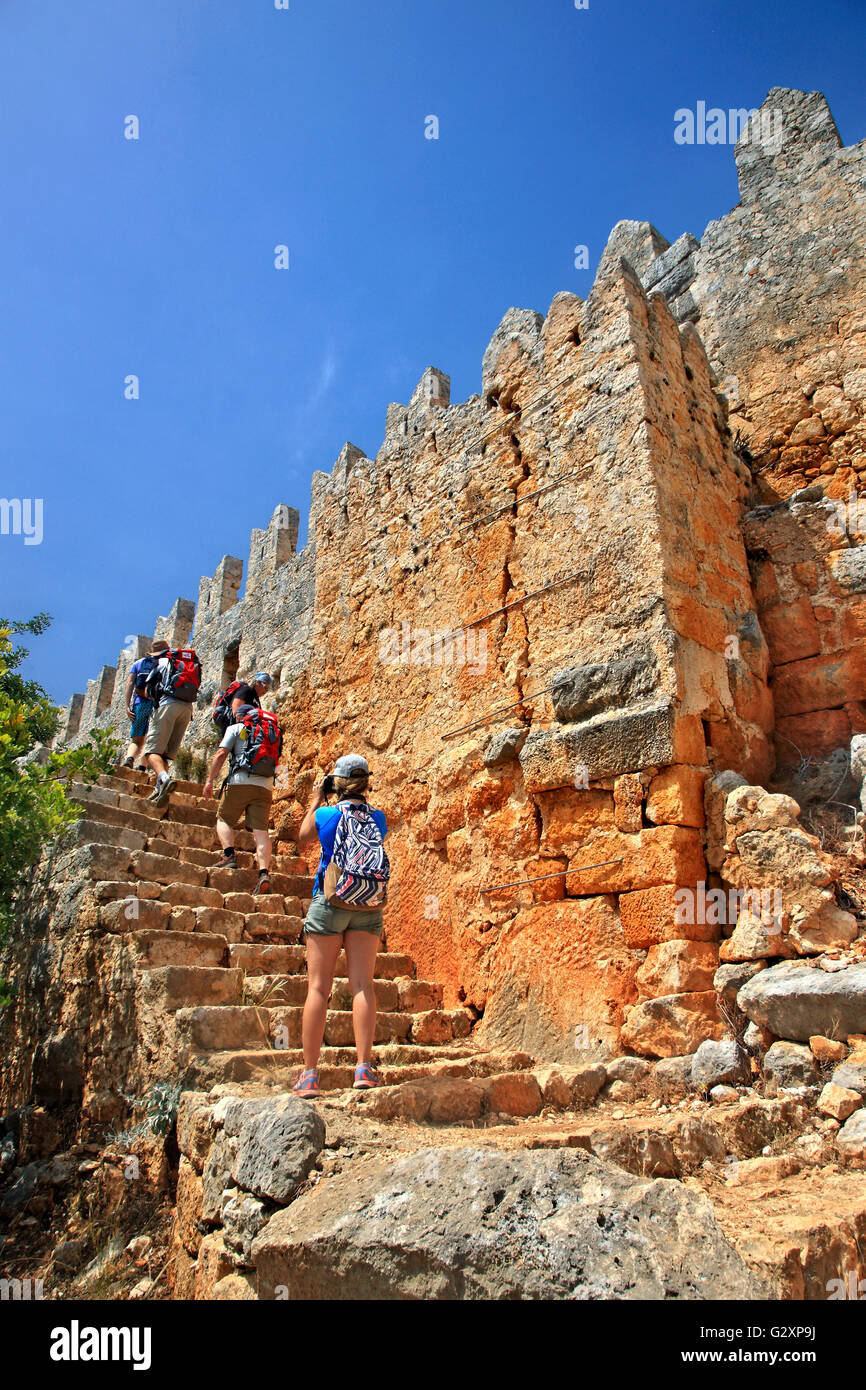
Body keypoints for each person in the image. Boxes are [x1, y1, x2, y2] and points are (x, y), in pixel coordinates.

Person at [294, 754, 388, 1097]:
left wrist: (317, 798)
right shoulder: (378, 818)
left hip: (330, 899)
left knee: (319, 988)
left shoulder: (328, 814)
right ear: (365, 782)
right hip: (367, 905)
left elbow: (303, 837)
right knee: (363, 985)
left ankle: (309, 1075)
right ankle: (363, 1067)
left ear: (337, 782)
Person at [202, 703, 283, 896]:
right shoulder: (273, 732)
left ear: (241, 716)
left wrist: (209, 780)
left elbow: (221, 753)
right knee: (261, 832)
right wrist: (278, 787)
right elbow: (278, 759)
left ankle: (229, 856)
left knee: (223, 818)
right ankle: (264, 872)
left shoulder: (236, 728)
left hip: (240, 780)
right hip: (265, 785)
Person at [143, 646, 202, 806]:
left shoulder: (161, 662)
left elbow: (148, 690)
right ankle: (159, 788)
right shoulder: (192, 664)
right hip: (187, 709)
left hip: (167, 705)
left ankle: (165, 778)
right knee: (166, 755)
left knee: (151, 752)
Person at [122, 640, 168, 770]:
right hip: (157, 704)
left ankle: (130, 758)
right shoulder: (165, 663)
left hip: (139, 704)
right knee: (150, 737)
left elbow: (130, 683)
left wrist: (127, 706)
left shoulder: (139, 664)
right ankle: (142, 766)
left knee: (136, 740)